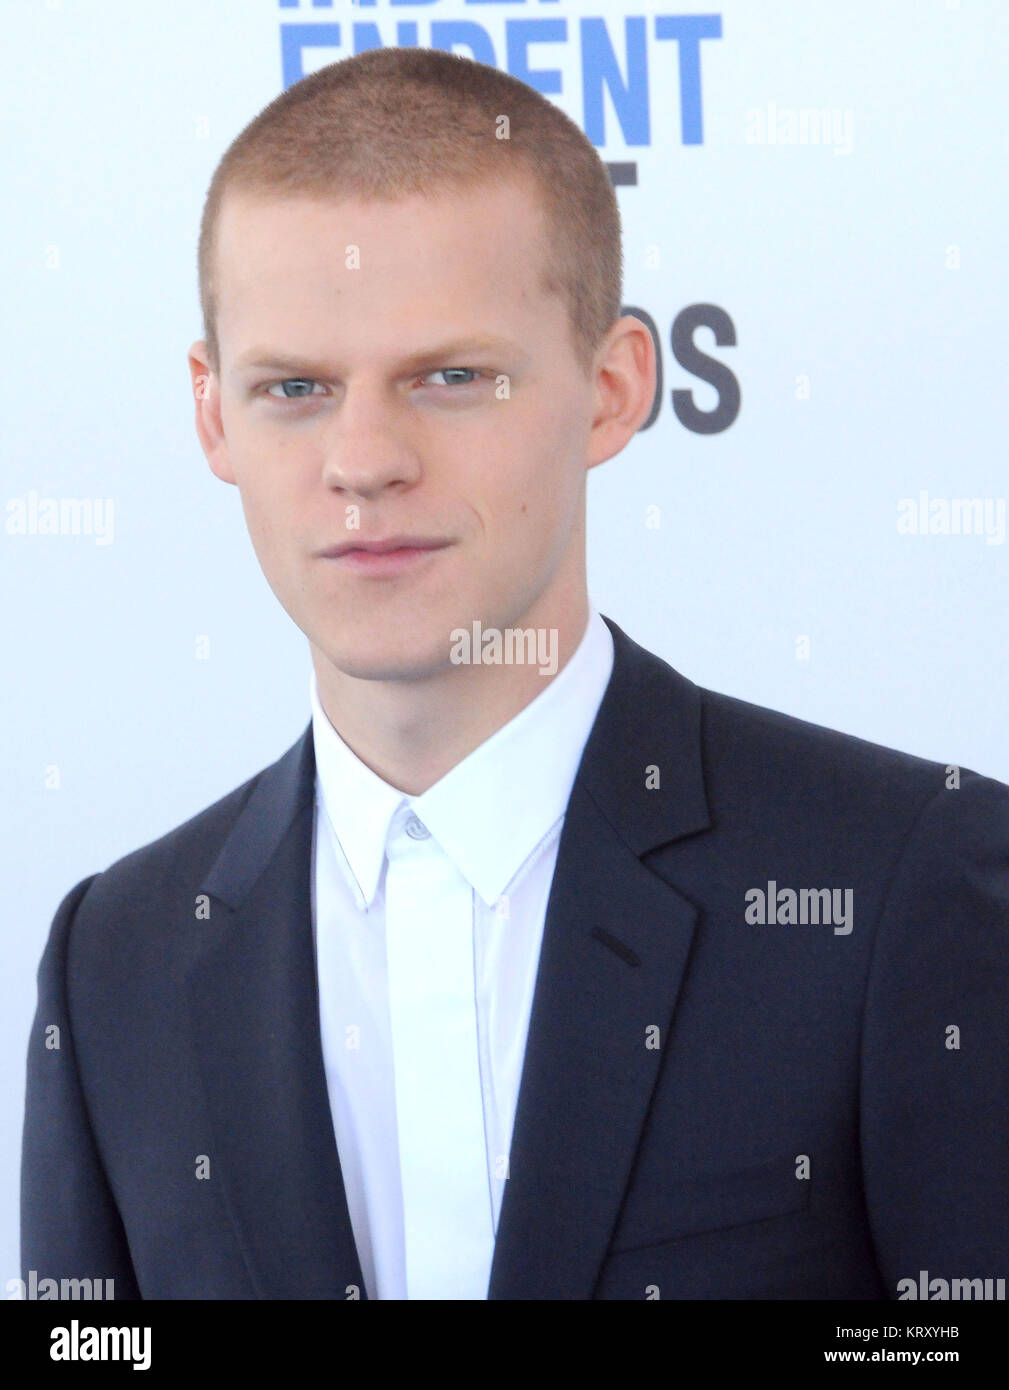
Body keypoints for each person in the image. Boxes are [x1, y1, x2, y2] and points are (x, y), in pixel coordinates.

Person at [21, 46, 1009, 1301]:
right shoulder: (117, 957)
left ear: (612, 390)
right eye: (295, 389)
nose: (365, 458)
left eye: (450, 377)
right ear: (213, 416)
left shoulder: (899, 879)